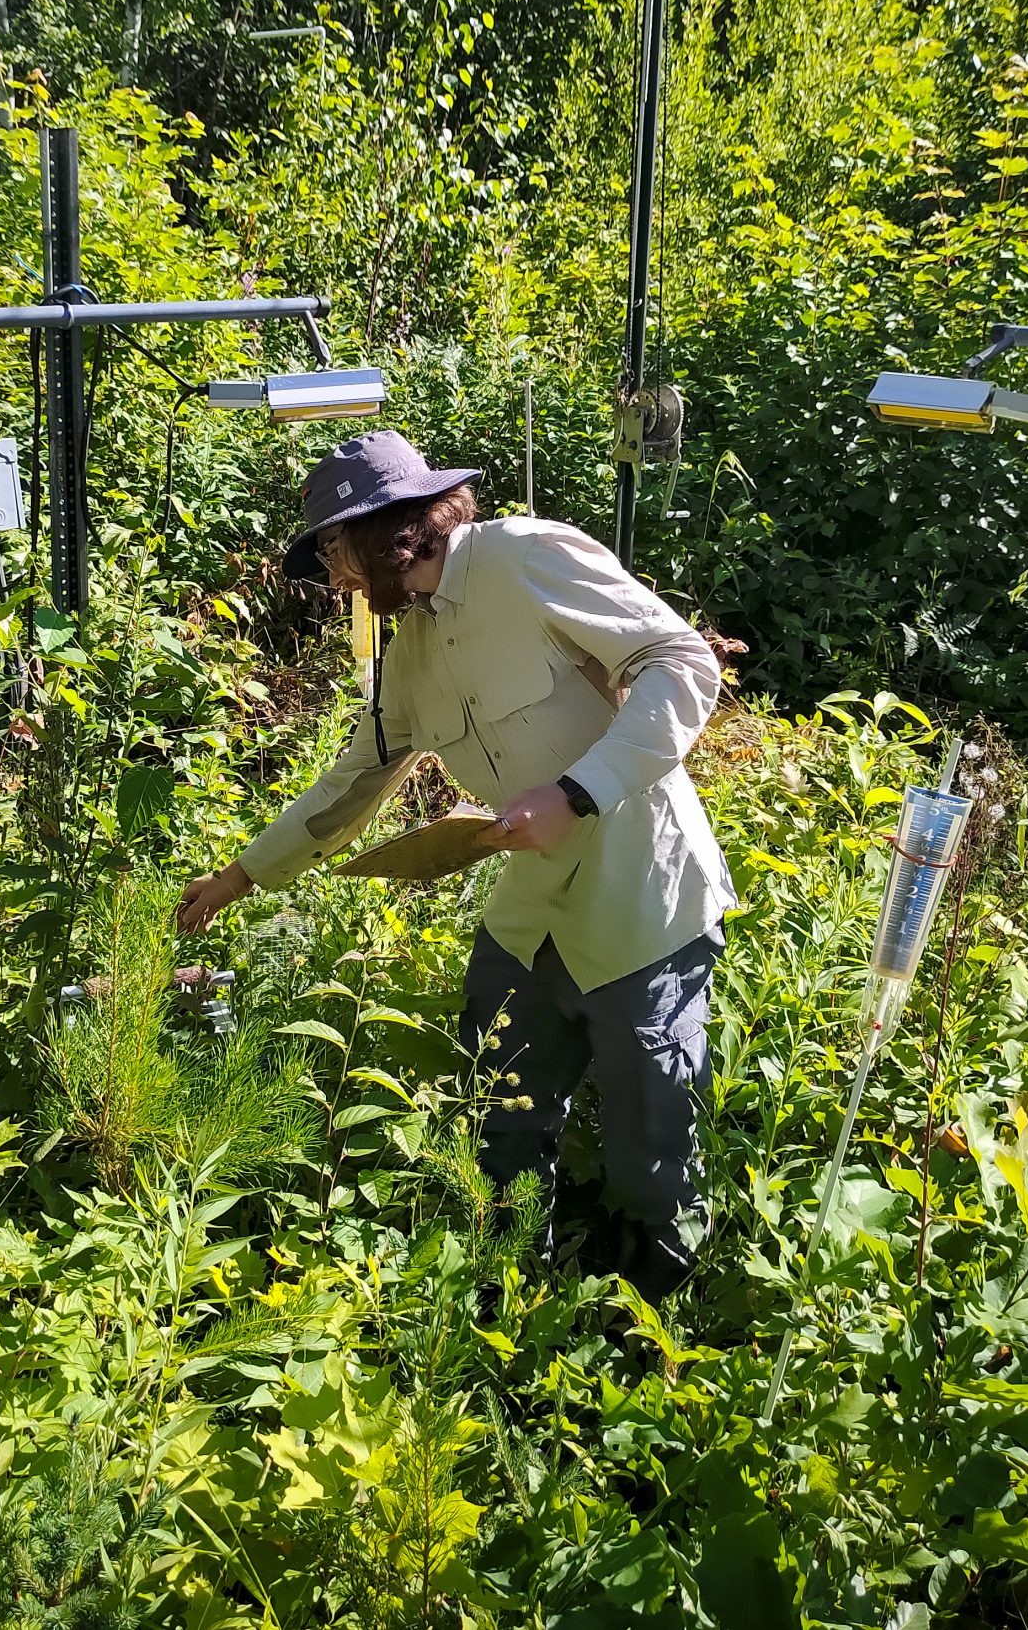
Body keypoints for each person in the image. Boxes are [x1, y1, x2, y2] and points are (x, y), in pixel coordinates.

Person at [176, 429, 734, 1298]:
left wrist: (575, 792)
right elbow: (362, 772)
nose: (334, 579)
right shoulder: (414, 644)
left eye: (333, 550)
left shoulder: (521, 555)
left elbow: (681, 661)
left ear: (386, 531)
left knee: (649, 1146)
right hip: (532, 916)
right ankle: (506, 1301)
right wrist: (242, 874)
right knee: (497, 1118)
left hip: (641, 906)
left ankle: (644, 1343)